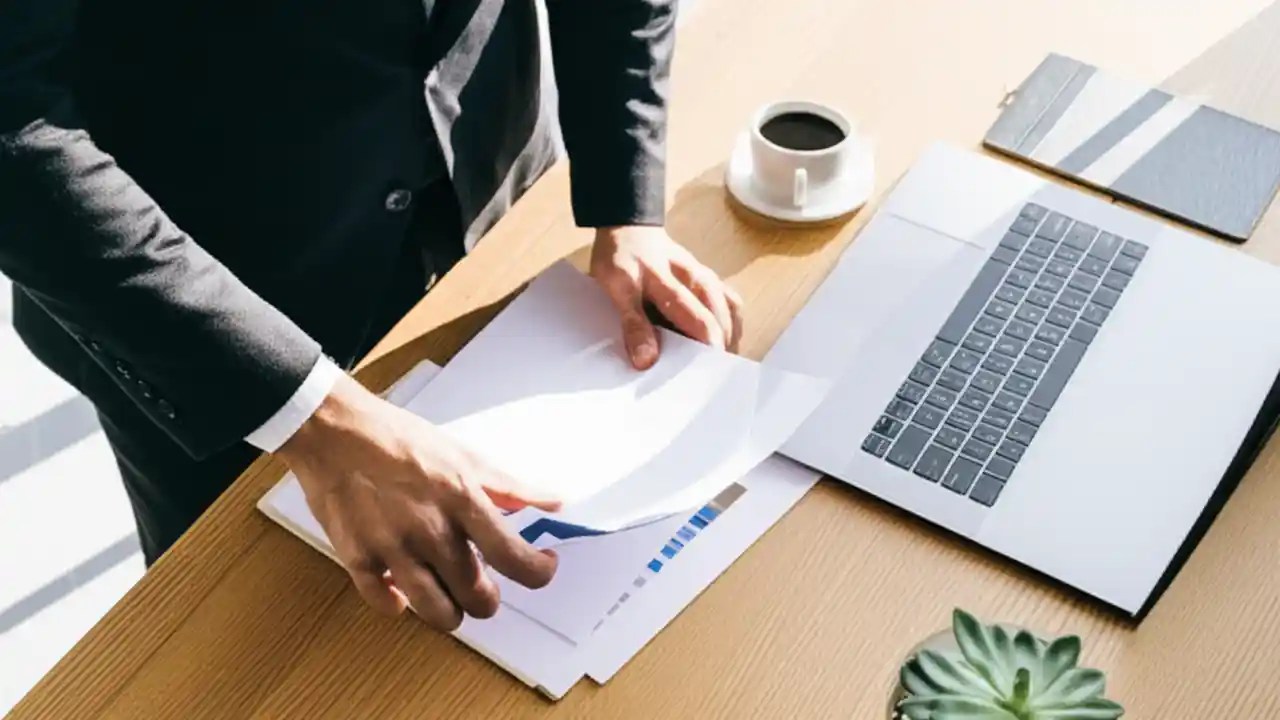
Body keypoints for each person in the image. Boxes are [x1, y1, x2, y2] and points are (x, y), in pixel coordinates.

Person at [0, 0, 742, 632]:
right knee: (259, 640)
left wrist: (624, 199)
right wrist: (305, 414)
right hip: (212, 320)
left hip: (495, 208)